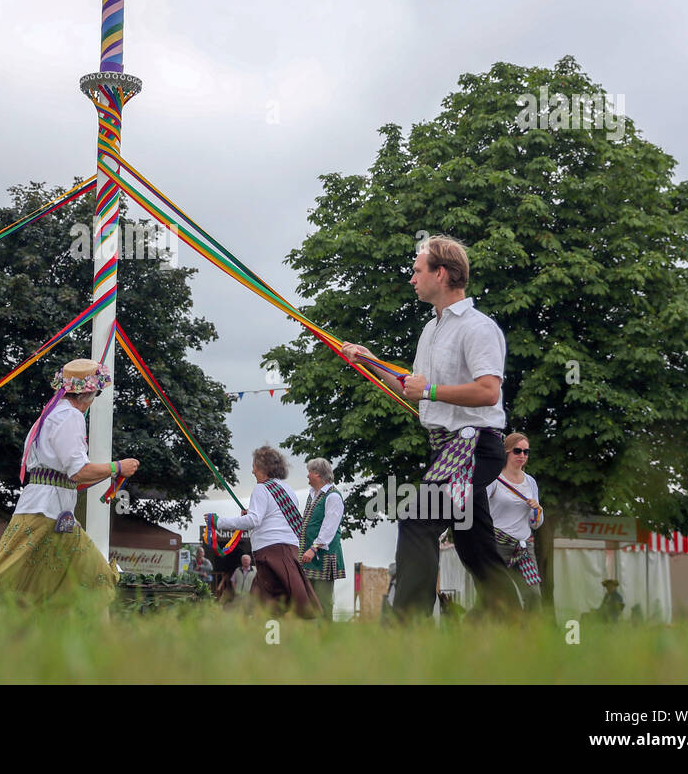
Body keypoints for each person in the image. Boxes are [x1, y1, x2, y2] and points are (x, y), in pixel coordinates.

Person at [342, 235, 519, 619]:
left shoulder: (479, 328)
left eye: (417, 271)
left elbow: (489, 392)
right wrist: (370, 361)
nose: (412, 279)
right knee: (476, 549)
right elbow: (414, 392)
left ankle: (408, 629)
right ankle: (520, 625)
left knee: (416, 518)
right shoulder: (430, 331)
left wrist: (432, 389)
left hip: (473, 446)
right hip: (446, 449)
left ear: (441, 274)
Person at [0, 359, 138, 609]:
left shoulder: (52, 414)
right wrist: (117, 468)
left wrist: (110, 472)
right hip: (46, 512)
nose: (96, 397)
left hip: (49, 510)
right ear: (88, 392)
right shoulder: (70, 417)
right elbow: (79, 471)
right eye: (97, 392)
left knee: (42, 582)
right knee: (92, 578)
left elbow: (71, 474)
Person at [214, 446, 322, 618]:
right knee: (272, 601)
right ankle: (276, 639)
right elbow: (272, 517)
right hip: (289, 552)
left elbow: (253, 520)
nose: (252, 470)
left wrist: (218, 522)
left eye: (255, 466)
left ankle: (277, 638)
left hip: (271, 554)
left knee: (270, 604)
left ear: (263, 467)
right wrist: (252, 513)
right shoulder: (287, 490)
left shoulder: (261, 489)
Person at [488, 433, 543, 610]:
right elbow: (481, 511)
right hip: (498, 545)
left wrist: (537, 510)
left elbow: (535, 523)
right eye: (517, 451)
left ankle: (531, 635)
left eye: (526, 452)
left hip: (524, 546)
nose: (522, 456)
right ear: (507, 452)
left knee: (534, 595)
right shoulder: (494, 479)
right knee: (496, 595)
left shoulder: (530, 482)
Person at [299, 458, 346, 622]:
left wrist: (313, 548)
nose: (307, 476)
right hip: (310, 556)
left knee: (324, 601)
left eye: (310, 472)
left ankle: (326, 637)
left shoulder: (333, 496)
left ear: (318, 474)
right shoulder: (313, 495)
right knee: (309, 601)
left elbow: (329, 527)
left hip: (323, 556)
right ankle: (311, 637)